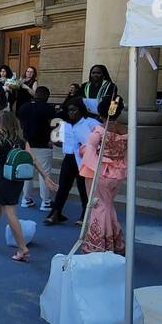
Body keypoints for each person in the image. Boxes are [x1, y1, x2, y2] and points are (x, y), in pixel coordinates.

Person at [0, 111, 56, 262]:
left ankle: (23, 248)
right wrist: (46, 177)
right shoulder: (21, 141)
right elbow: (34, 160)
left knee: (10, 212)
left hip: (4, 179)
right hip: (17, 179)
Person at [79, 97, 128, 254]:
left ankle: (98, 244)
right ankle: (114, 242)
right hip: (118, 173)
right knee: (107, 206)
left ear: (100, 113)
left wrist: (83, 149)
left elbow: (89, 154)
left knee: (98, 207)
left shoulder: (99, 131)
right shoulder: (126, 131)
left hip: (100, 173)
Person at [43, 97, 98, 226]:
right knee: (63, 186)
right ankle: (56, 213)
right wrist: (55, 140)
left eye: (74, 110)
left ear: (80, 110)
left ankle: (86, 214)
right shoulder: (65, 124)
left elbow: (99, 139)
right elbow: (60, 141)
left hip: (85, 159)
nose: (71, 113)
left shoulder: (90, 123)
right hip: (69, 157)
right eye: (69, 110)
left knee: (83, 188)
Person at [16, 85, 57, 210]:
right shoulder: (49, 109)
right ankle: (46, 201)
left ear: (35, 94)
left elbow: (19, 124)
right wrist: (53, 140)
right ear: (47, 96)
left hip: (27, 144)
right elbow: (55, 126)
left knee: (27, 172)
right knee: (44, 173)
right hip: (44, 144)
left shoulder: (24, 107)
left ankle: (25, 198)